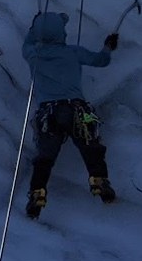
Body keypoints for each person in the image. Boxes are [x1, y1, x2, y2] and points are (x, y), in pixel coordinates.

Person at [21, 11, 119, 218]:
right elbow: (101, 61)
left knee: (45, 156)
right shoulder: (73, 52)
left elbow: (27, 42)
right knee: (92, 146)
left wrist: (35, 26)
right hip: (78, 109)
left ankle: (37, 193)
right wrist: (108, 46)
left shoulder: (32, 54)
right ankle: (99, 180)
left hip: (48, 114)